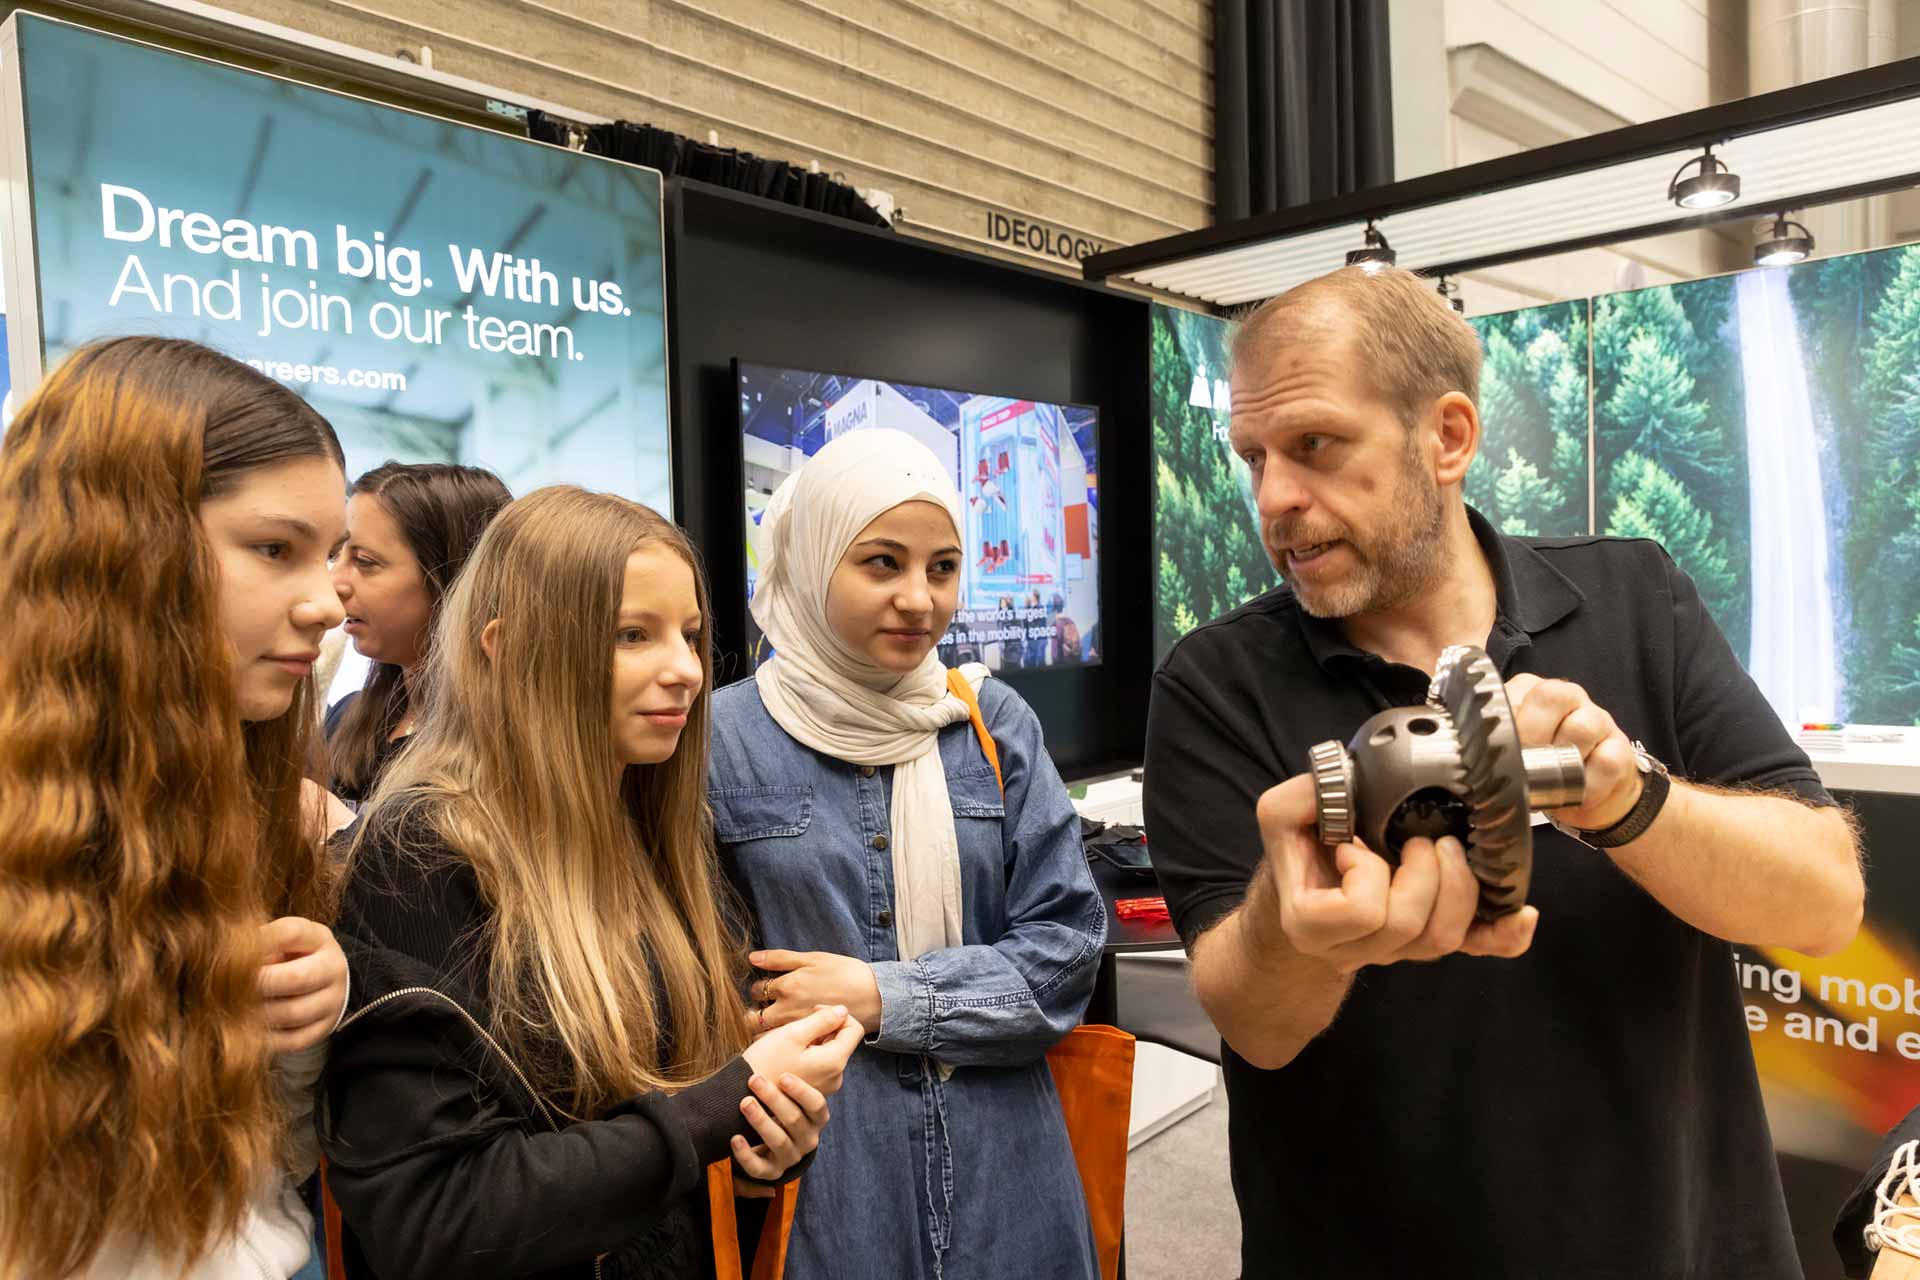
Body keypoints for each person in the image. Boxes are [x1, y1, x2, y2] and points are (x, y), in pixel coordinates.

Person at [1140, 266, 1865, 1280]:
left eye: (1314, 446)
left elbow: (1824, 899)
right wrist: (1293, 924)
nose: (1274, 499)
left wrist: (1624, 795)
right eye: (1252, 456)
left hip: (1688, 1245)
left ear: (1447, 436)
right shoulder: (1214, 682)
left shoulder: (1634, 594)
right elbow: (1255, 1024)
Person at [321, 486, 862, 1280]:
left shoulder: (668, 840)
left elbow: (668, 1143)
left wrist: (760, 1145)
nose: (684, 670)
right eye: (630, 636)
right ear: (504, 647)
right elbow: (440, 1221)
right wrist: (718, 1107)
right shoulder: (420, 857)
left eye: (689, 635)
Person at [708, 429, 1106, 1280]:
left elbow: (1067, 951)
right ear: (814, 561)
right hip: (826, 1176)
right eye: (882, 563)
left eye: (942, 567)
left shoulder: (994, 726)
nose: (920, 600)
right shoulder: (719, 742)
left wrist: (881, 995)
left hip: (1008, 1169)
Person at [0, 337, 352, 1278]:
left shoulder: (247, 803)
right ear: (122, 549)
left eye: (332, 557)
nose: (327, 604)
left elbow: (261, 1181)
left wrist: (302, 1018)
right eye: (274, 549)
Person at [326, 461, 512, 805]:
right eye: (335, 555)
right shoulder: (347, 720)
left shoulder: (508, 756)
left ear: (453, 576)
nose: (333, 582)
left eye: (364, 561)